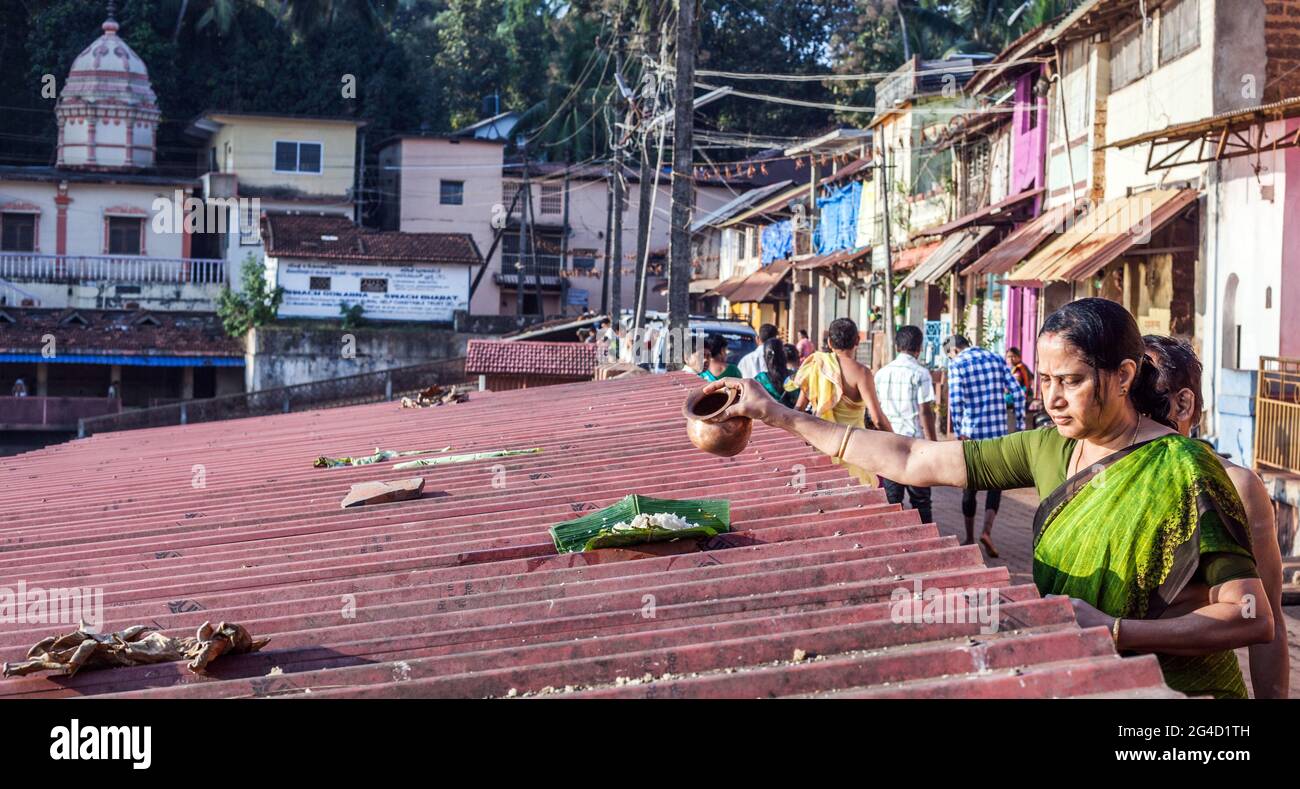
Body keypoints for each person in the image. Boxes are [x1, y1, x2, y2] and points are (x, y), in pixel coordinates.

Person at [702, 298, 1273, 699]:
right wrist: (777, 415)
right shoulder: (1047, 449)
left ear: (1123, 375)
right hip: (1088, 681)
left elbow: (1250, 617)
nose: (1050, 397)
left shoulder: (1187, 469)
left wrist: (1117, 629)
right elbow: (910, 459)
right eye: (1043, 380)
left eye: (1070, 380)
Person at [1144, 334, 1289, 699]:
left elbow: (1267, 619)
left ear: (1183, 405)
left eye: (1143, 407)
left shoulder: (1236, 486)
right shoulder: (1096, 476)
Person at [944, 334, 1026, 558]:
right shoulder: (996, 358)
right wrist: (1019, 425)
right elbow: (1018, 394)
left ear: (953, 350)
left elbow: (956, 400)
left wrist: (959, 431)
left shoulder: (957, 364)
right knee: (995, 485)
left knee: (969, 486)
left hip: (972, 438)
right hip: (998, 436)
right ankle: (987, 531)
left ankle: (970, 537)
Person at [785, 318, 891, 486]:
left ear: (829, 342)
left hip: (823, 446)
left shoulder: (816, 367)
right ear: (857, 340)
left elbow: (798, 410)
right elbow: (877, 418)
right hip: (855, 449)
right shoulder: (862, 373)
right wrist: (894, 439)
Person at [874, 325, 937, 525]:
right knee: (921, 501)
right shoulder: (920, 373)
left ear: (897, 345)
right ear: (918, 348)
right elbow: (925, 411)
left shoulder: (881, 374)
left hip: (889, 443)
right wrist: (934, 443)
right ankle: (927, 543)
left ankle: (894, 540)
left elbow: (875, 412)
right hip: (914, 446)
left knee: (893, 501)